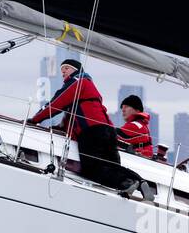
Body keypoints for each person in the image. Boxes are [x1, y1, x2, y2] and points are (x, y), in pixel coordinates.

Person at [26, 59, 143, 192]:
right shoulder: (89, 89)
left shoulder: (76, 81)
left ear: (76, 70)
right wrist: (57, 128)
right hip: (108, 131)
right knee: (112, 166)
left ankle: (125, 183)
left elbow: (56, 103)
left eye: (66, 68)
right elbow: (70, 119)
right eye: (62, 69)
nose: (63, 71)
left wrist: (34, 119)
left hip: (91, 131)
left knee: (91, 168)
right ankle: (138, 181)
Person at [115, 94, 154, 159]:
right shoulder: (141, 124)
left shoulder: (136, 125)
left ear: (137, 110)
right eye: (122, 107)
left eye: (126, 107)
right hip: (142, 159)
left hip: (140, 161)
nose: (123, 110)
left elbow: (113, 134)